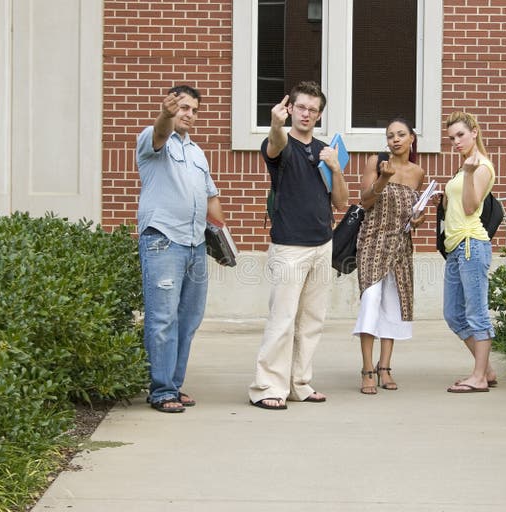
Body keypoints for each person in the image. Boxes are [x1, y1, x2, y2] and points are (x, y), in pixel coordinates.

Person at [248, 81, 349, 410]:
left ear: (319, 115)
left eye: (313, 110)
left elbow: (341, 202)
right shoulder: (279, 143)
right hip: (289, 247)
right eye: (301, 107)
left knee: (311, 321)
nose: (307, 113)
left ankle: (298, 383)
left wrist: (336, 168)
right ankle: (266, 387)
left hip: (322, 244)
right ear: (290, 108)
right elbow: (275, 144)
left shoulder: (325, 150)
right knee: (282, 320)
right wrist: (275, 124)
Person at [136, 85, 226, 412]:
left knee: (188, 319)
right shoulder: (152, 138)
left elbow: (210, 197)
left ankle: (174, 385)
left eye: (193, 110)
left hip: (195, 245)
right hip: (163, 240)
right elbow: (161, 131)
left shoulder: (198, 154)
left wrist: (224, 239)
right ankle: (161, 391)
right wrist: (165, 115)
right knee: (162, 318)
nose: (188, 114)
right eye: (182, 107)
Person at [353, 118, 426, 394]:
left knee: (393, 305)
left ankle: (385, 367)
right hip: (373, 241)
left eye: (400, 134)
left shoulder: (418, 173)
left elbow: (410, 212)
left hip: (400, 246)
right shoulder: (377, 162)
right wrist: (383, 178)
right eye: (390, 135)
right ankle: (367, 368)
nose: (395, 139)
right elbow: (366, 201)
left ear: (411, 139)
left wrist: (417, 220)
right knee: (371, 301)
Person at [441, 111, 498, 393]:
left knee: (476, 314)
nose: (456, 142)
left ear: (474, 131)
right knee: (453, 314)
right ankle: (485, 369)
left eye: (461, 135)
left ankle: (478, 378)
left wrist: (469, 173)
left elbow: (469, 207)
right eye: (452, 138)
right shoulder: (466, 166)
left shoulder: (481, 166)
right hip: (455, 248)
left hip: (470, 245)